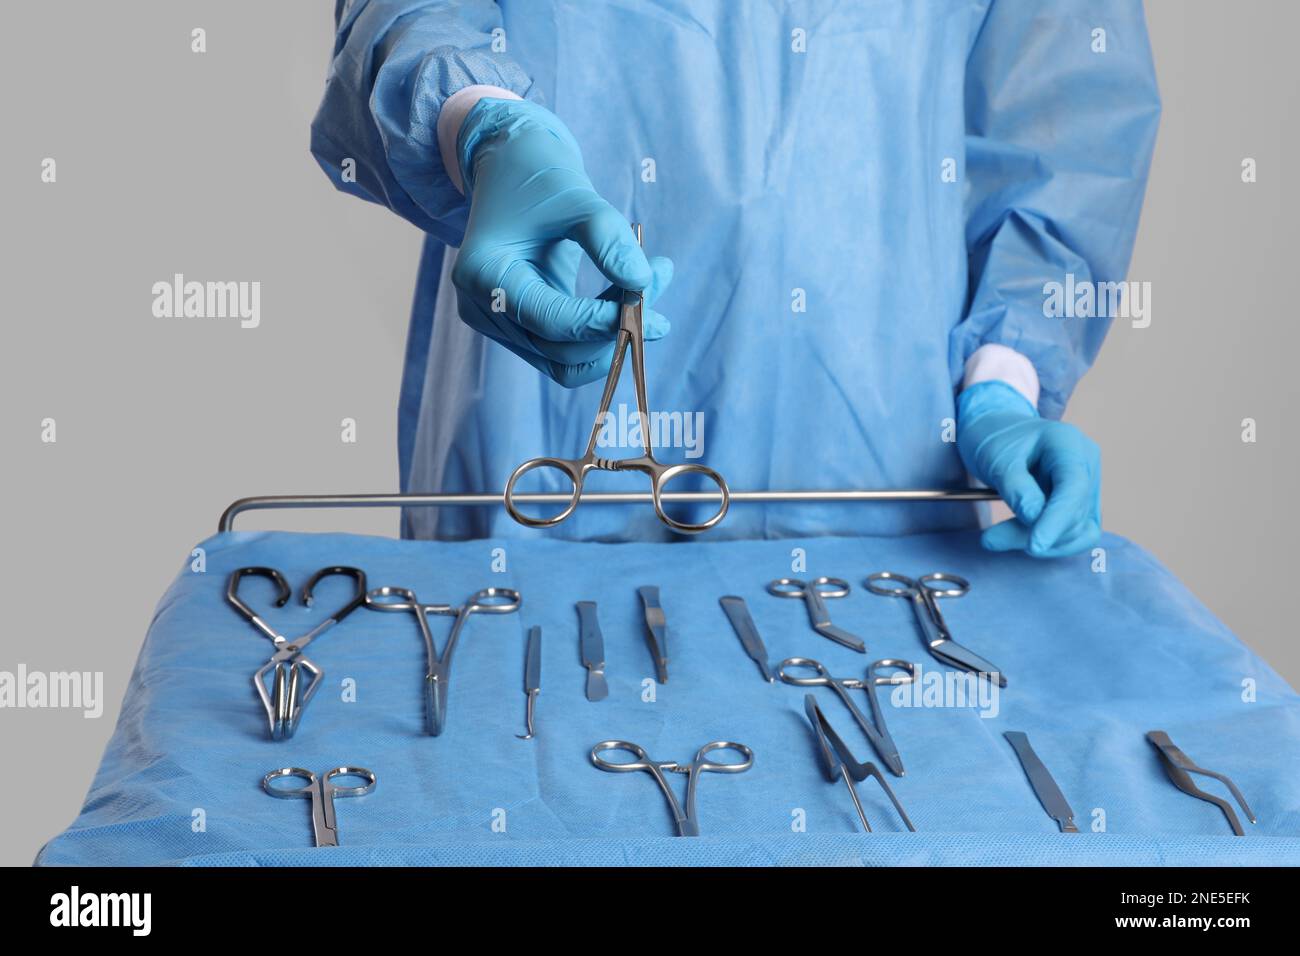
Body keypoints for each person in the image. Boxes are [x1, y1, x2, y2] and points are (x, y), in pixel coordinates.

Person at [311, 0, 1160, 554]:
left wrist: (1003, 383)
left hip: (880, 468)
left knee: (857, 811)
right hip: (535, 432)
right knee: (511, 768)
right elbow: (405, 15)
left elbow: (1069, 128)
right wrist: (480, 123)